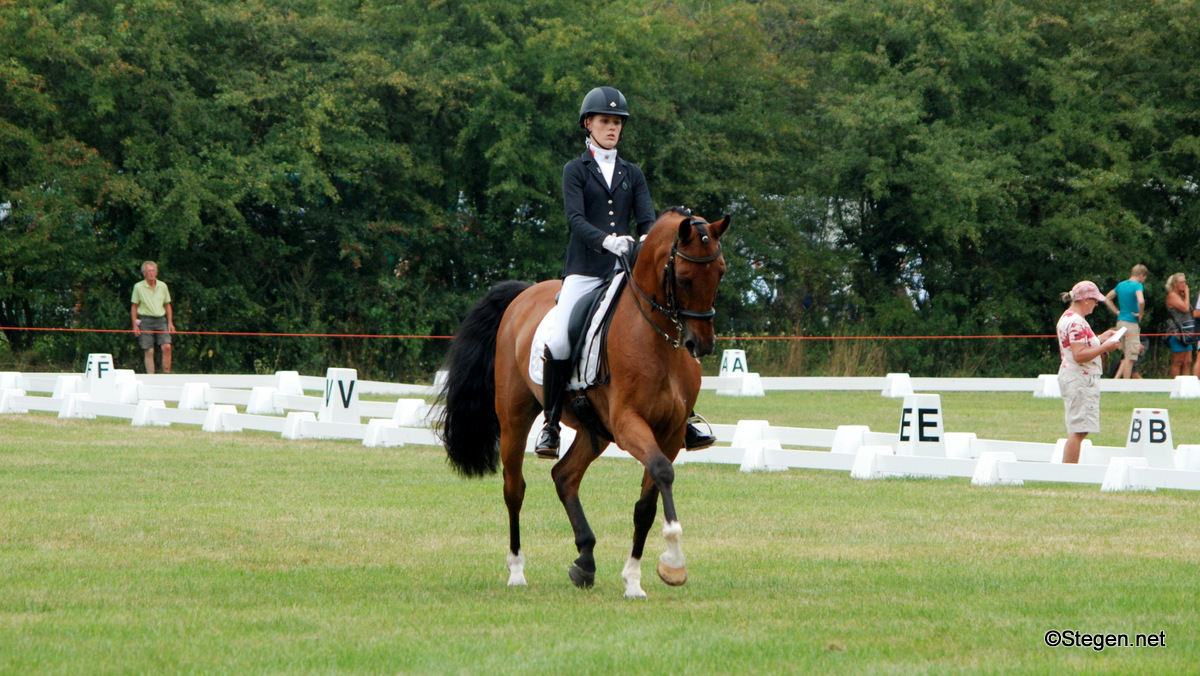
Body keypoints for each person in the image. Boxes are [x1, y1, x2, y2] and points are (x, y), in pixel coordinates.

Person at [535, 86, 715, 459]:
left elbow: (647, 219)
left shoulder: (632, 173)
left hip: (626, 270)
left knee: (668, 324)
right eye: (605, 121)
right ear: (589, 124)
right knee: (562, 338)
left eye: (617, 122)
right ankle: (551, 423)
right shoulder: (575, 170)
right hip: (586, 271)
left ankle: (686, 415)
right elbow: (575, 220)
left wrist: (648, 240)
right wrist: (606, 241)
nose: (612, 128)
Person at [1057, 281, 1120, 464]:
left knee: (1079, 428)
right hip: (1080, 379)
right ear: (1085, 300)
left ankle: (1068, 470)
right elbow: (1079, 355)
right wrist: (1105, 347)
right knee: (1078, 431)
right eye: (1094, 300)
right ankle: (1069, 471)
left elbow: (1079, 346)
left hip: (1073, 377)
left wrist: (1100, 339)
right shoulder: (1077, 322)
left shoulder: (1068, 317)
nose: (1096, 304)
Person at [1103, 264, 1148, 379]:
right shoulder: (1137, 285)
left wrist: (1117, 312)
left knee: (1126, 353)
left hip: (1120, 321)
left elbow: (1107, 298)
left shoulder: (1121, 285)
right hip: (1131, 323)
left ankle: (1117, 381)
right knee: (1131, 356)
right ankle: (1126, 386)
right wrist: (1140, 314)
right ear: (1142, 275)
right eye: (1144, 278)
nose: (1143, 281)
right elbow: (1141, 301)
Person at [130, 260, 175, 374]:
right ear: (144, 274)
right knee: (149, 350)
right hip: (145, 319)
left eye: (153, 270)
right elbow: (134, 306)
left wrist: (170, 323)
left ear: (156, 272)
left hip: (161, 319)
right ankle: (151, 376)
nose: (151, 273)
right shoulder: (138, 287)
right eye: (148, 271)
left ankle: (167, 374)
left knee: (167, 347)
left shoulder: (162, 286)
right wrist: (135, 325)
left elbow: (167, 305)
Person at [1165, 272, 1194, 378]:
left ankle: (1186, 389)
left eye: (1185, 282)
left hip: (1187, 333)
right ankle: (1175, 387)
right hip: (1176, 333)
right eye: (1181, 282)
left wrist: (1185, 295)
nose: (1184, 284)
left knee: (1188, 362)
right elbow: (1185, 309)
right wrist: (1187, 294)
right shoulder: (1172, 296)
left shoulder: (1182, 296)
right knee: (1178, 362)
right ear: (1174, 284)